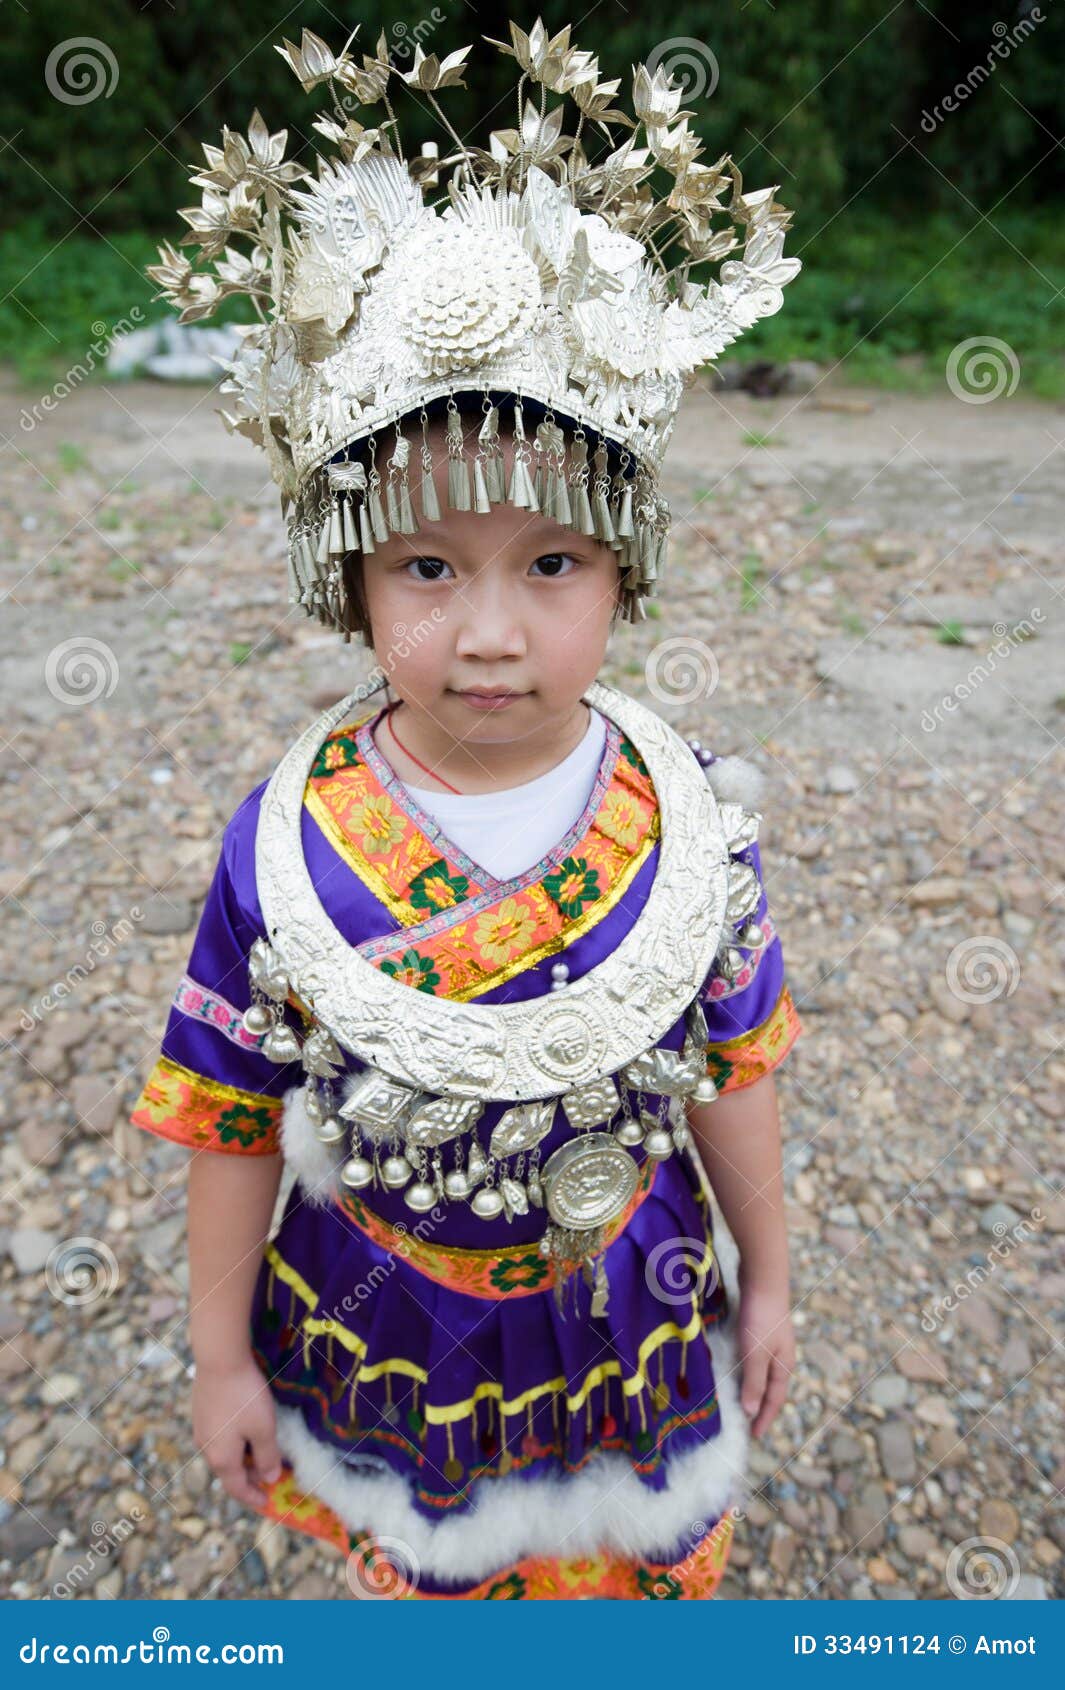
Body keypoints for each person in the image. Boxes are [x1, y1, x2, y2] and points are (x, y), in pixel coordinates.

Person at [130, 17, 804, 1599]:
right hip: (385, 1319)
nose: (489, 631)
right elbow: (230, 1113)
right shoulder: (281, 849)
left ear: (625, 567)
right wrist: (221, 1358)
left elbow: (737, 1065)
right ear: (346, 573)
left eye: (548, 566)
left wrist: (769, 1278)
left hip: (637, 1296)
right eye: (427, 567)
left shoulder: (693, 822)